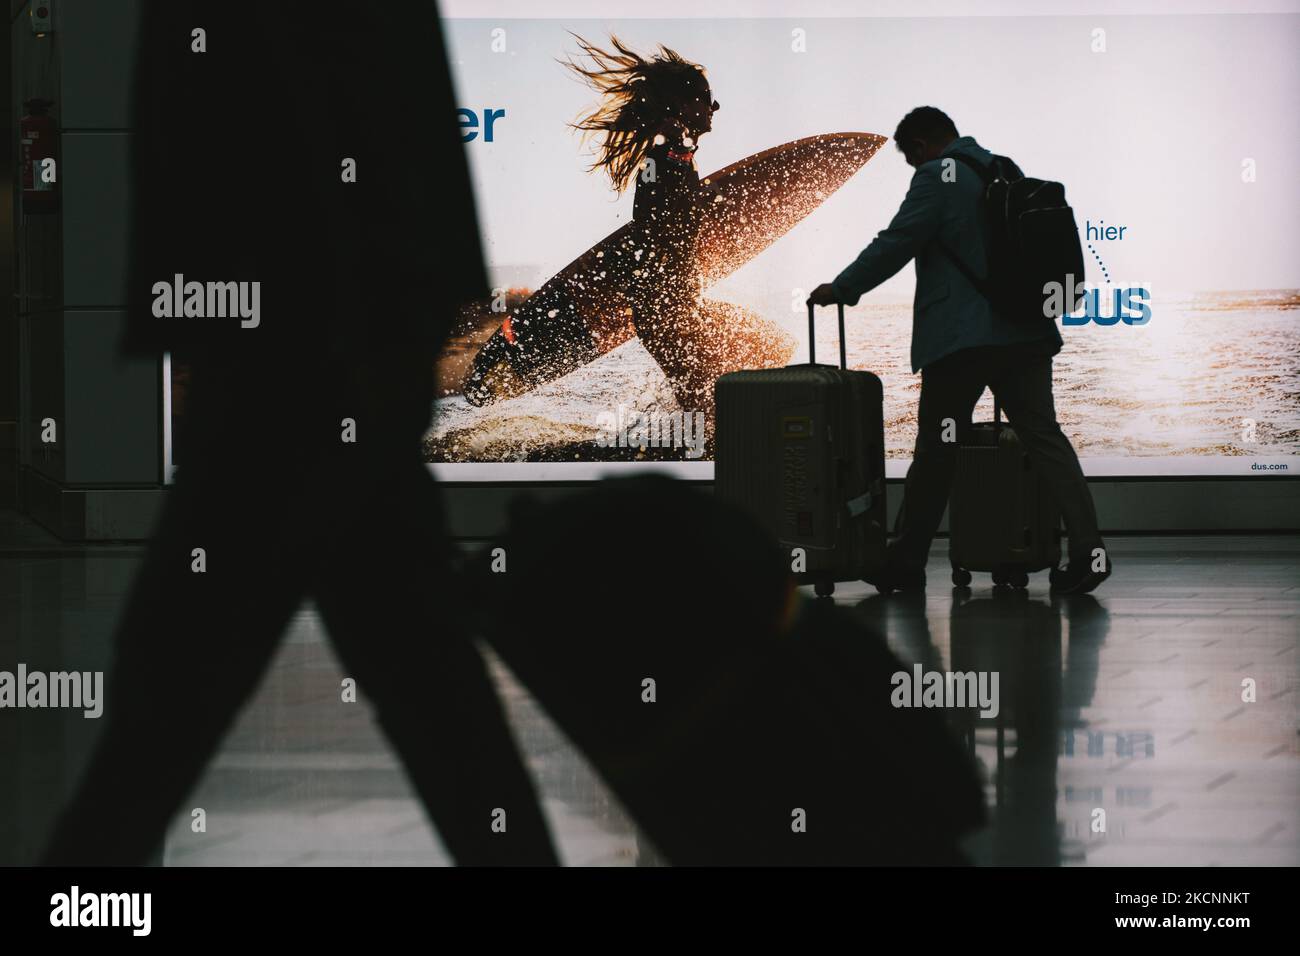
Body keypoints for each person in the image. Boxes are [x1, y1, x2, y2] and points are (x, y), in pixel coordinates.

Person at [40, 1, 558, 866]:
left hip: (294, 353)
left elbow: (310, 108)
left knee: (172, 687)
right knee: (426, 685)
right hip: (323, 346)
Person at [808, 107, 1111, 595]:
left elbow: (898, 241)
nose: (913, 167)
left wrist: (844, 287)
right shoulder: (1003, 168)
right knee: (1045, 440)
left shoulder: (936, 176)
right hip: (1026, 332)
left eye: (911, 158)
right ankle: (1089, 552)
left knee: (936, 451)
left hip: (963, 341)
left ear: (923, 146)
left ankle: (905, 561)